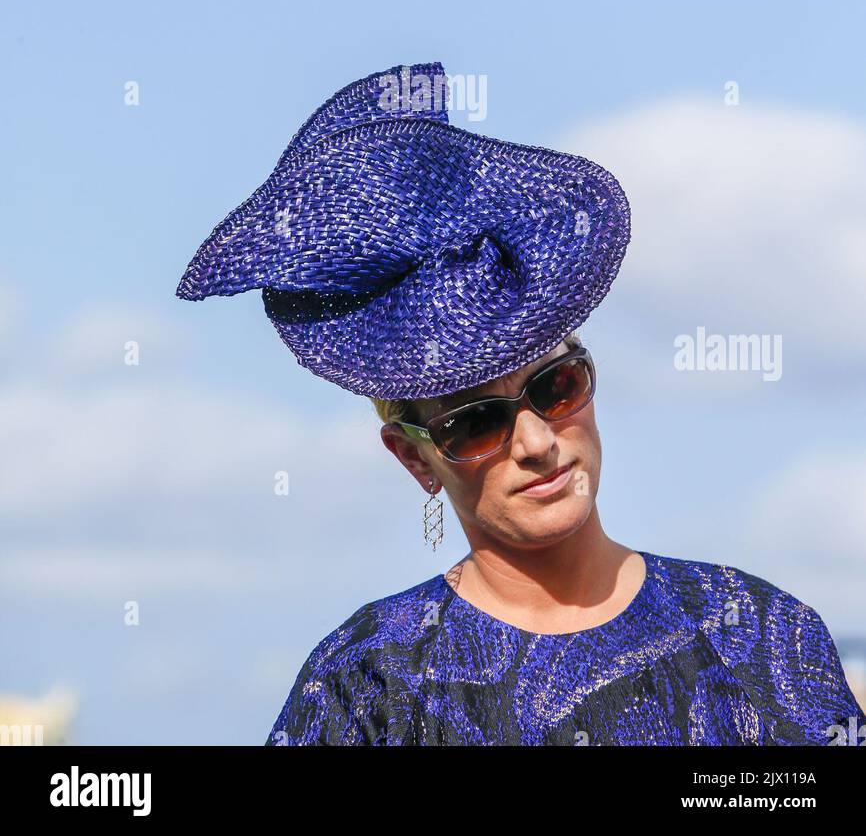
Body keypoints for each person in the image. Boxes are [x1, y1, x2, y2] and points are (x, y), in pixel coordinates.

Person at [176, 60, 865, 747]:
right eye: (475, 423)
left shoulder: (762, 640)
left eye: (554, 386)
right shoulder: (367, 685)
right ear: (415, 457)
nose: (537, 442)